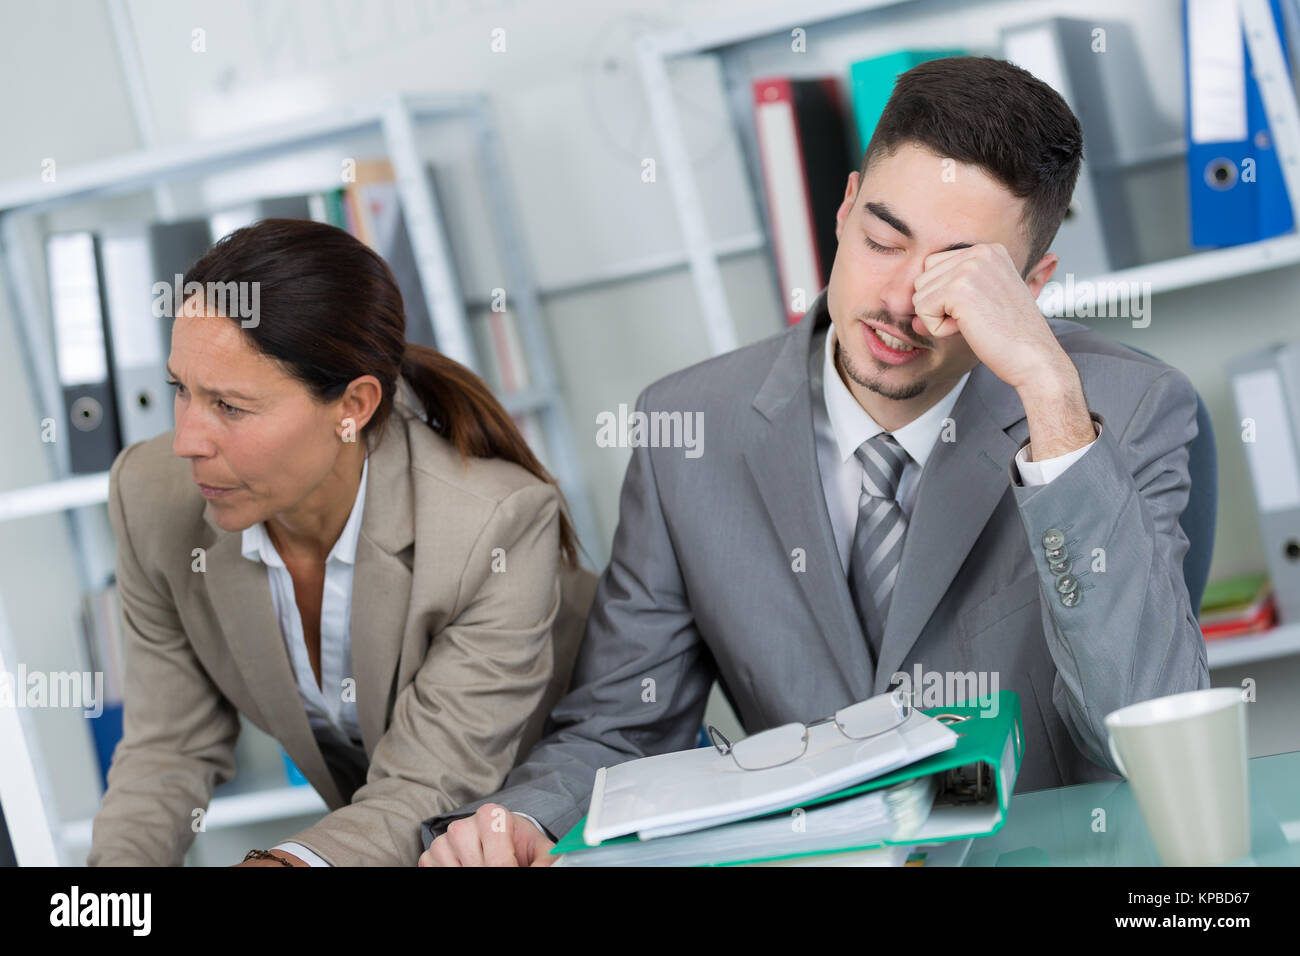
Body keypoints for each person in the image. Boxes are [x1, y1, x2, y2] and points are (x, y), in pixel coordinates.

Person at [418, 55, 1209, 867]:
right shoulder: (688, 429)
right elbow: (624, 723)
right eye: (882, 241)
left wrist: (1049, 392)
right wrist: (522, 819)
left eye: (959, 273)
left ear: (1030, 286)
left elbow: (1149, 733)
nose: (903, 302)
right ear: (843, 211)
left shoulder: (1124, 409)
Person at [87, 218, 596, 866]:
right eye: (180, 391)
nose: (189, 439)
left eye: (231, 407)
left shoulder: (493, 524)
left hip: (557, 829)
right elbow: (168, 748)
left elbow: (425, 785)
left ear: (351, 406)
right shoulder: (152, 497)